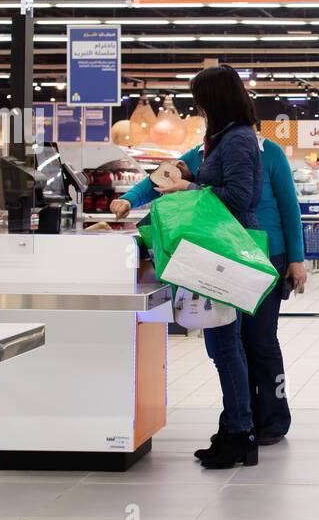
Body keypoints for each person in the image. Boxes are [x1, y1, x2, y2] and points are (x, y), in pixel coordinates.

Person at [115, 135, 309, 445]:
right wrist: (129, 198)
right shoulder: (207, 150)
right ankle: (241, 417)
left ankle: (273, 419)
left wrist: (297, 258)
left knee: (260, 340)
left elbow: (289, 207)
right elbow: (164, 177)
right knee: (234, 342)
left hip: (267, 256)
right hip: (224, 254)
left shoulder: (270, 153)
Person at [152, 65, 263, 470]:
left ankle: (240, 434)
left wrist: (189, 187)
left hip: (225, 253)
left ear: (215, 100)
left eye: (200, 100)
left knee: (225, 347)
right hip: (218, 249)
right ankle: (234, 428)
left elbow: (239, 197)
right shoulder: (227, 137)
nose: (196, 107)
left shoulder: (235, 140)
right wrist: (192, 175)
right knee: (223, 346)